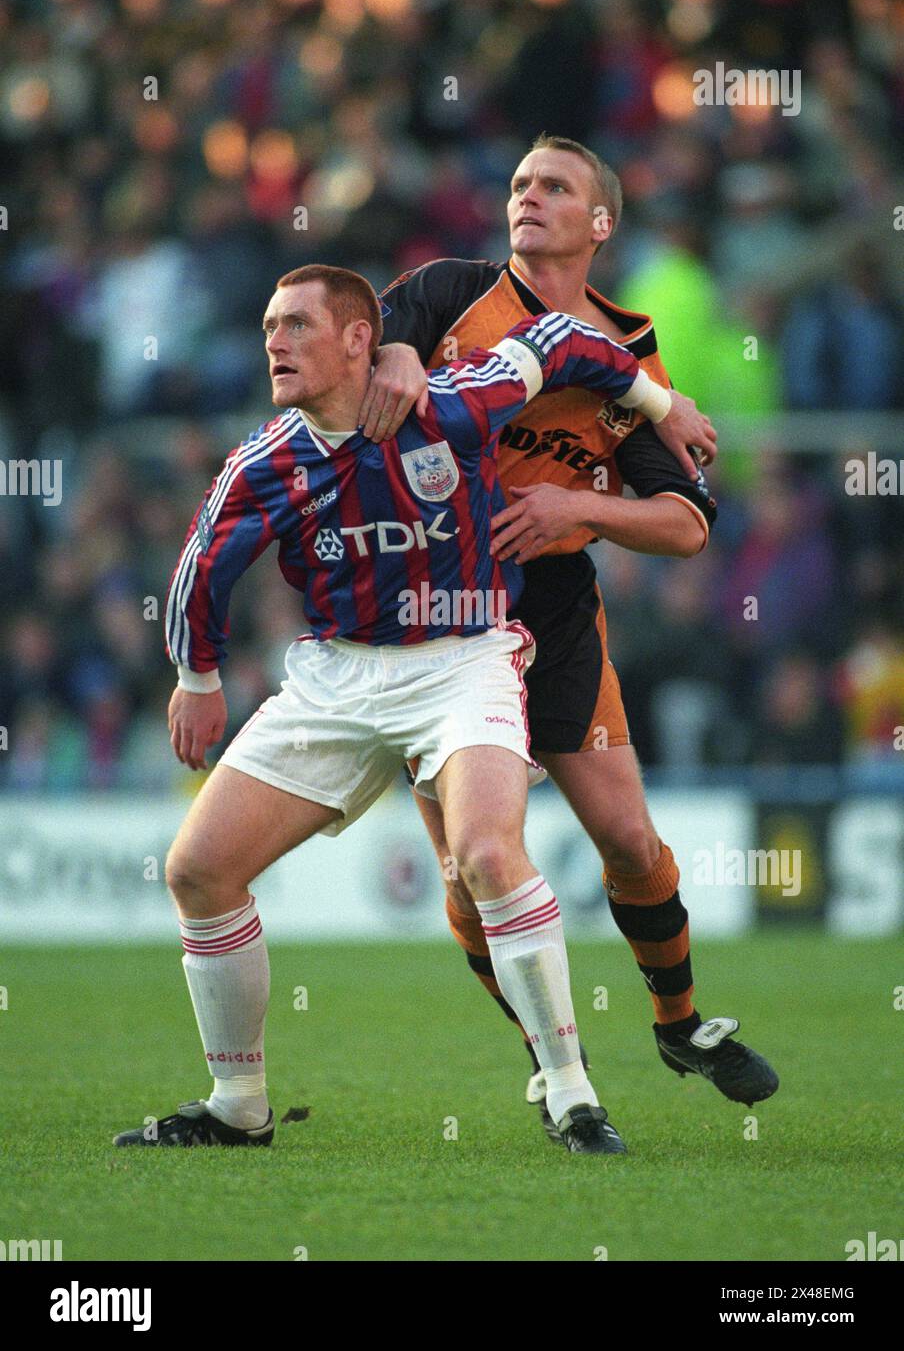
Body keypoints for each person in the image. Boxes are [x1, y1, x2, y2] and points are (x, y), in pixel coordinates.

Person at [113, 262, 708, 1154]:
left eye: (296, 326)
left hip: (464, 659)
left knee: (484, 854)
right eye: (269, 325)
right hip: (336, 679)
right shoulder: (266, 460)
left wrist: (663, 408)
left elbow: (566, 341)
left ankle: (573, 1095)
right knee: (197, 870)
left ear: (361, 340)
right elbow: (201, 566)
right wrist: (197, 678)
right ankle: (238, 1106)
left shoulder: (452, 404)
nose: (274, 341)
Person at [359, 134, 779, 1132]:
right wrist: (397, 356)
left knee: (630, 841)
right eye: (516, 183)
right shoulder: (445, 292)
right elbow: (373, 351)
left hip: (549, 608)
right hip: (433, 614)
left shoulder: (630, 357)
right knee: (471, 864)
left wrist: (577, 510)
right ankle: (555, 1062)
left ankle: (678, 1025)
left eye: (553, 186)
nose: (526, 197)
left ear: (601, 224)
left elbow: (685, 523)